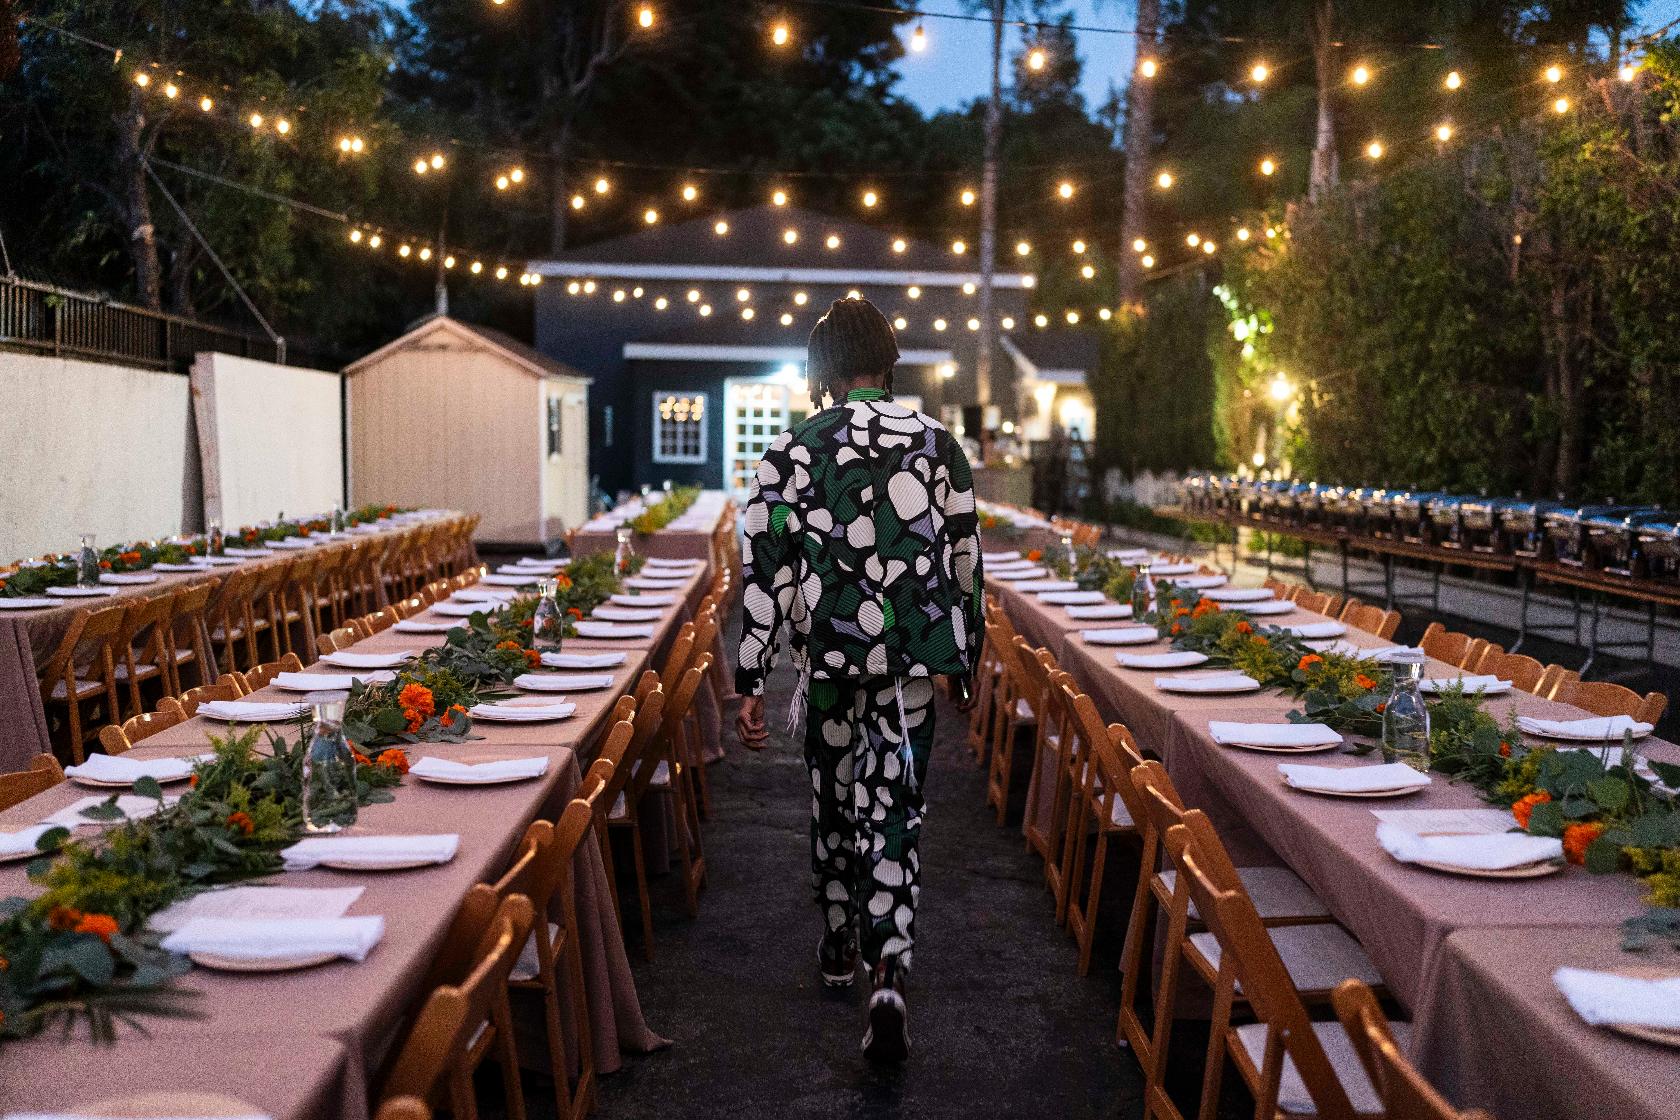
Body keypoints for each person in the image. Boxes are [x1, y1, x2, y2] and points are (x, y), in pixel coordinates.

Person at [734, 296, 983, 1063]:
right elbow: (964, 560)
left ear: (825, 369)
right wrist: (965, 660)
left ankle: (840, 941)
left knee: (834, 803)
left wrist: (752, 671)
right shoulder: (939, 447)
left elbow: (767, 553)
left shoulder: (793, 451)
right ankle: (890, 972)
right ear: (888, 359)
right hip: (909, 668)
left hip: (831, 664)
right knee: (896, 809)